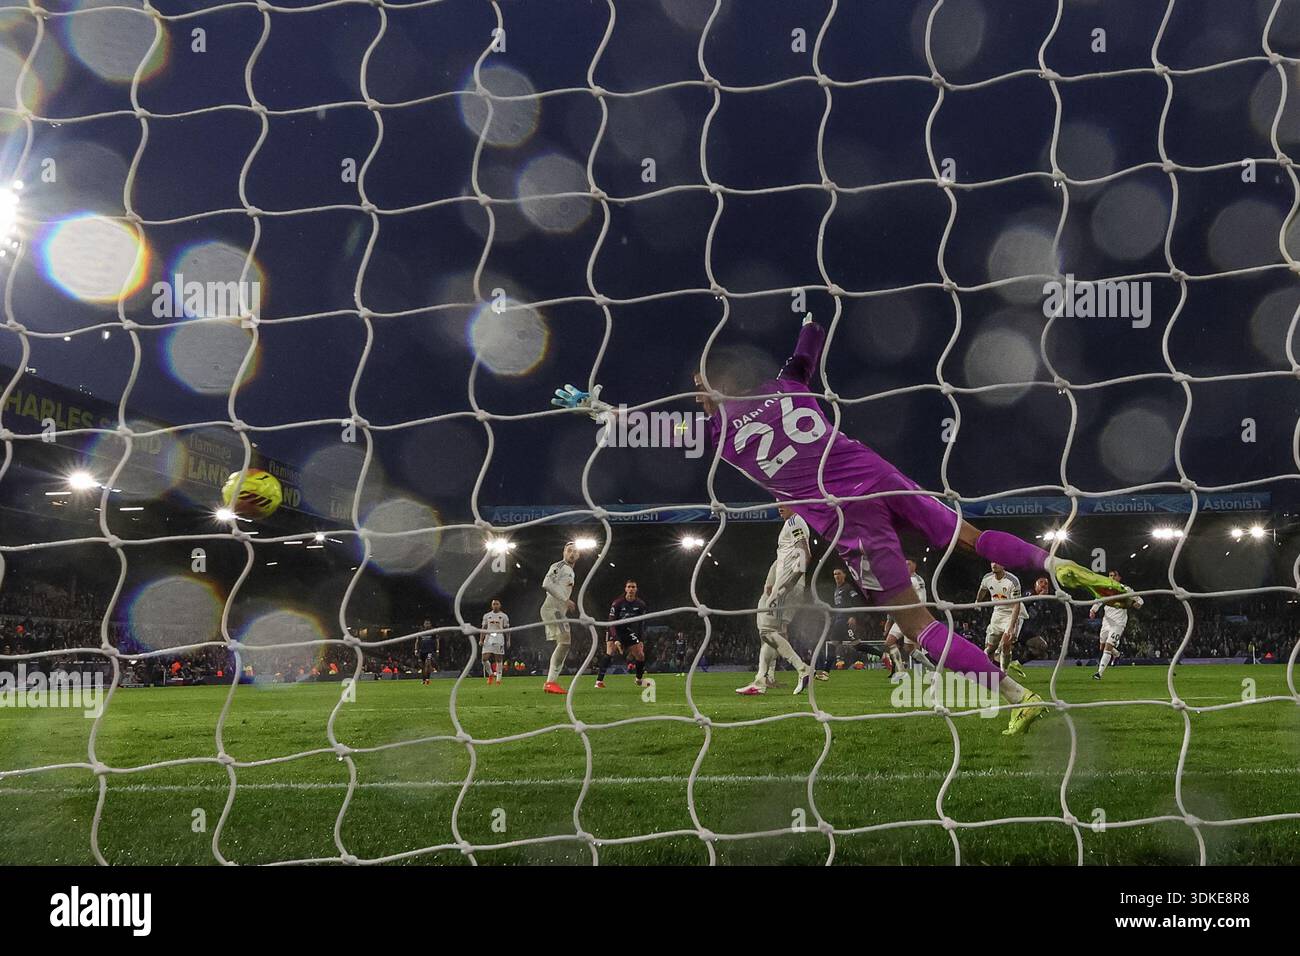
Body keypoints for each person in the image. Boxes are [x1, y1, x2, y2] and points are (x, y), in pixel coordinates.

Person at [553, 314, 1130, 735]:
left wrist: (599, 411)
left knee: (915, 621)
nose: (698, 397)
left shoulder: (719, 435)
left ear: (716, 392)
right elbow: (802, 358)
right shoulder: (786, 388)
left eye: (702, 389)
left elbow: (656, 431)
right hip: (880, 474)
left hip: (846, 516)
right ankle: (1061, 565)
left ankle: (1017, 697)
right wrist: (813, 319)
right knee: (974, 538)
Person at [736, 505, 814, 696]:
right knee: (771, 634)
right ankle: (761, 681)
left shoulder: (794, 521)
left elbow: (805, 553)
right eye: (777, 502)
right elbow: (785, 557)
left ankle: (803, 669)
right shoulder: (790, 525)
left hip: (787, 588)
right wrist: (772, 579)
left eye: (783, 502)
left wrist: (787, 584)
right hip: (786, 586)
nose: (779, 506)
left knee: (767, 631)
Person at [541, 542, 580, 695]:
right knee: (565, 641)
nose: (572, 553)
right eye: (569, 550)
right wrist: (565, 600)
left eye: (575, 551)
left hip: (558, 611)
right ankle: (550, 682)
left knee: (564, 643)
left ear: (579, 555)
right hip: (553, 609)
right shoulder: (559, 566)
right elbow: (546, 584)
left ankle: (551, 682)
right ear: (564, 552)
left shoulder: (570, 571)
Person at [1092, 570, 1143, 680]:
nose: (1111, 577)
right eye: (1110, 575)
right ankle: (1117, 654)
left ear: (1119, 578)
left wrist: (1137, 604)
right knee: (1102, 646)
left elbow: (1140, 599)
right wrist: (1093, 610)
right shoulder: (1105, 589)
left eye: (1114, 575)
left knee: (1108, 647)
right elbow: (1098, 600)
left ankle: (1099, 673)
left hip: (1118, 623)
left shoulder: (1125, 589)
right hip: (1106, 621)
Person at [599, 580, 648, 687]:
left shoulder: (641, 605)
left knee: (640, 655)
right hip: (614, 628)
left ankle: (639, 680)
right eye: (629, 587)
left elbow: (641, 624)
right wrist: (616, 639)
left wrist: (640, 640)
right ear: (625, 589)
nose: (631, 589)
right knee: (610, 652)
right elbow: (611, 622)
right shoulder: (617, 603)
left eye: (633, 587)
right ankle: (599, 681)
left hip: (626, 630)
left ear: (636, 589)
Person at [976, 563, 1023, 672]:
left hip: (1011, 613)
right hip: (997, 614)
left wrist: (1011, 626)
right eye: (992, 561)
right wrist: (977, 601)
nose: (994, 564)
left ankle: (1004, 673)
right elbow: (982, 590)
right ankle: (984, 670)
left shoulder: (1013, 581)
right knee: (991, 648)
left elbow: (1017, 604)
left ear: (1004, 565)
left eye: (997, 562)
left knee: (1006, 644)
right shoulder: (987, 578)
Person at [480, 599, 510, 685]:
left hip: (499, 637)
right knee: (484, 658)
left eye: (497, 604)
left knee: (499, 659)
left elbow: (507, 629)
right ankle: (491, 674)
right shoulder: (487, 616)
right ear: (491, 605)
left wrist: (508, 640)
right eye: (494, 604)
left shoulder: (504, 616)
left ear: (500, 605)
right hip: (489, 637)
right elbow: (483, 628)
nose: (495, 605)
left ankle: (498, 679)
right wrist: (481, 639)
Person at [415, 618, 438, 685]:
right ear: (424, 624)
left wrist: (437, 650)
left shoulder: (432, 631)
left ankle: (428, 679)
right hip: (422, 651)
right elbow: (417, 641)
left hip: (429, 651)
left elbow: (437, 641)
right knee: (422, 666)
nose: (427, 625)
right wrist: (416, 650)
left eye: (428, 623)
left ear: (430, 624)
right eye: (426, 623)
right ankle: (424, 680)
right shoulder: (421, 631)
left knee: (428, 664)